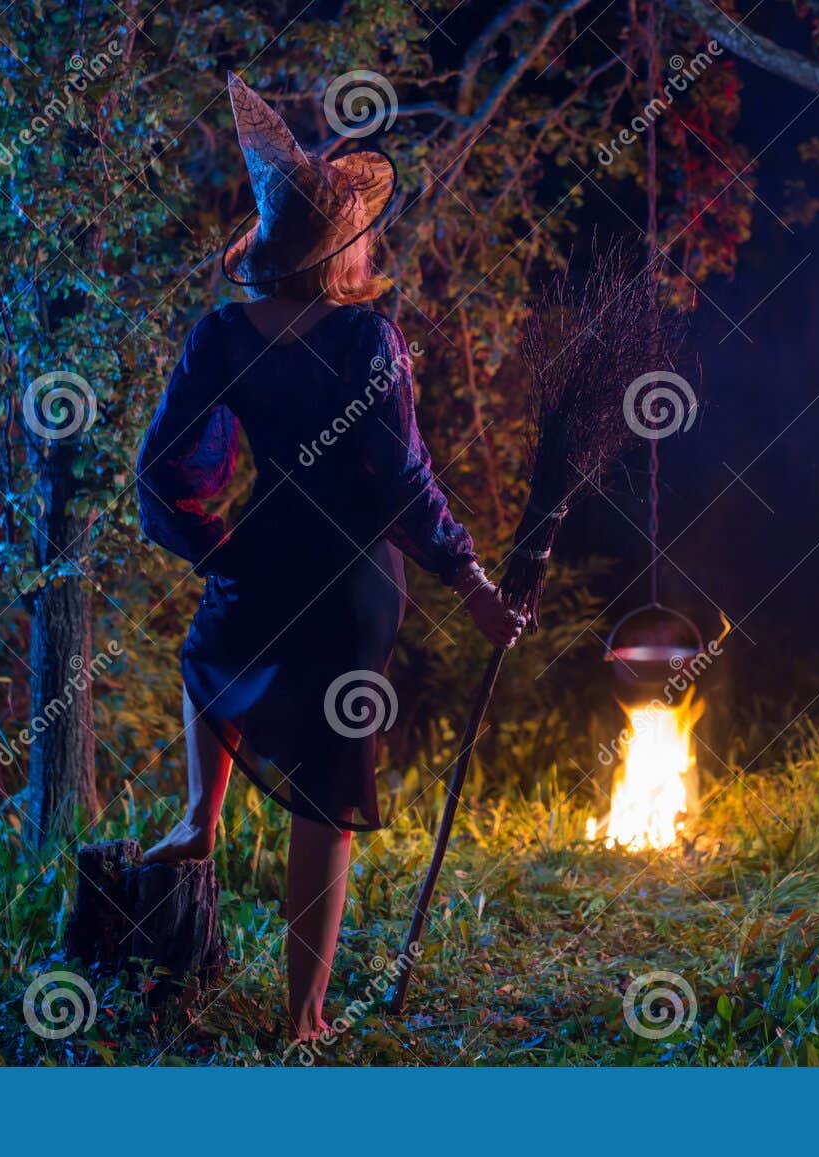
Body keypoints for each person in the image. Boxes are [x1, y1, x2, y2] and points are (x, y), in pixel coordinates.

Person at [135, 75, 524, 1042]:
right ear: (343, 247)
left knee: (210, 658)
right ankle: (302, 1018)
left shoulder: (225, 333)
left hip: (265, 555)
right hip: (353, 581)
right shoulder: (365, 338)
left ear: (273, 250)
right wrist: (470, 579)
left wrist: (210, 544)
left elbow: (160, 466)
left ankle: (198, 818)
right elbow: (403, 478)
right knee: (326, 789)